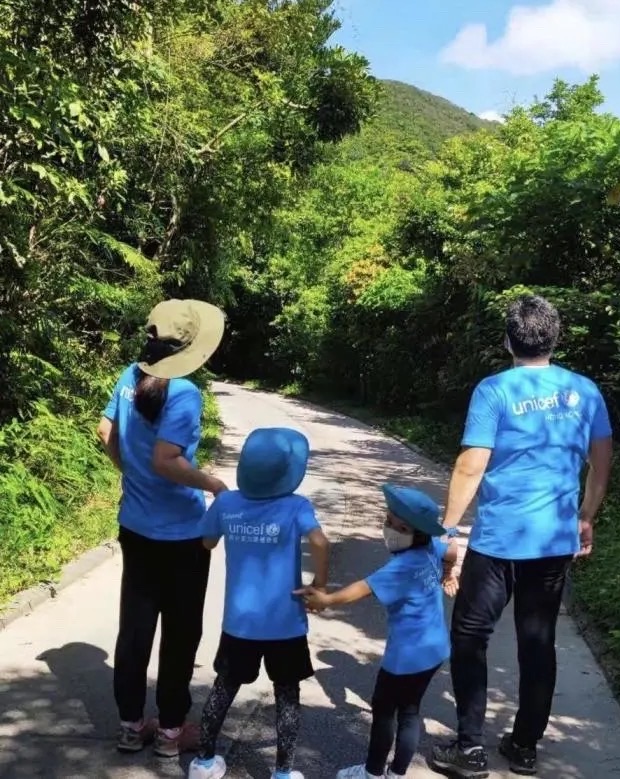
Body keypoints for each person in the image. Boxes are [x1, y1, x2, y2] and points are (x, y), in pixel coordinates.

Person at [431, 295, 613, 778]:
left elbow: (472, 463)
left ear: (508, 340)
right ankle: (525, 746)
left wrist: (447, 528)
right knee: (538, 641)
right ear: (554, 338)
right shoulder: (585, 390)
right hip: (554, 541)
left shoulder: (494, 390)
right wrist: (587, 515)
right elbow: (601, 458)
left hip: (497, 541)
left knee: (470, 636)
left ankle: (469, 749)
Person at [97, 299, 229, 757]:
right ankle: (171, 732)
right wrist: (213, 482)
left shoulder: (128, 377)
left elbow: (104, 433)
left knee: (134, 629)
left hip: (135, 526)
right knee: (180, 633)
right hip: (183, 536)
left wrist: (128, 474)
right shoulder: (185, 392)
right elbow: (166, 459)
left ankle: (131, 725)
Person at [188, 426, 330, 779]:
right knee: (287, 694)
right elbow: (321, 543)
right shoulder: (296, 506)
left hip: (240, 621)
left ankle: (204, 762)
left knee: (225, 687)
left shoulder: (227, 503)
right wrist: (320, 587)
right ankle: (283, 771)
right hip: (285, 622)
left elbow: (206, 543)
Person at [297, 484, 458, 779]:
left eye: (401, 527)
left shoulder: (402, 566)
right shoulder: (430, 549)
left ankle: (371, 773)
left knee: (384, 712)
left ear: (417, 533)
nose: (390, 530)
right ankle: (397, 774)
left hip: (405, 657)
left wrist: (327, 599)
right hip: (435, 649)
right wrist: (448, 574)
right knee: (410, 712)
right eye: (388, 522)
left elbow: (362, 588)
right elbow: (453, 548)